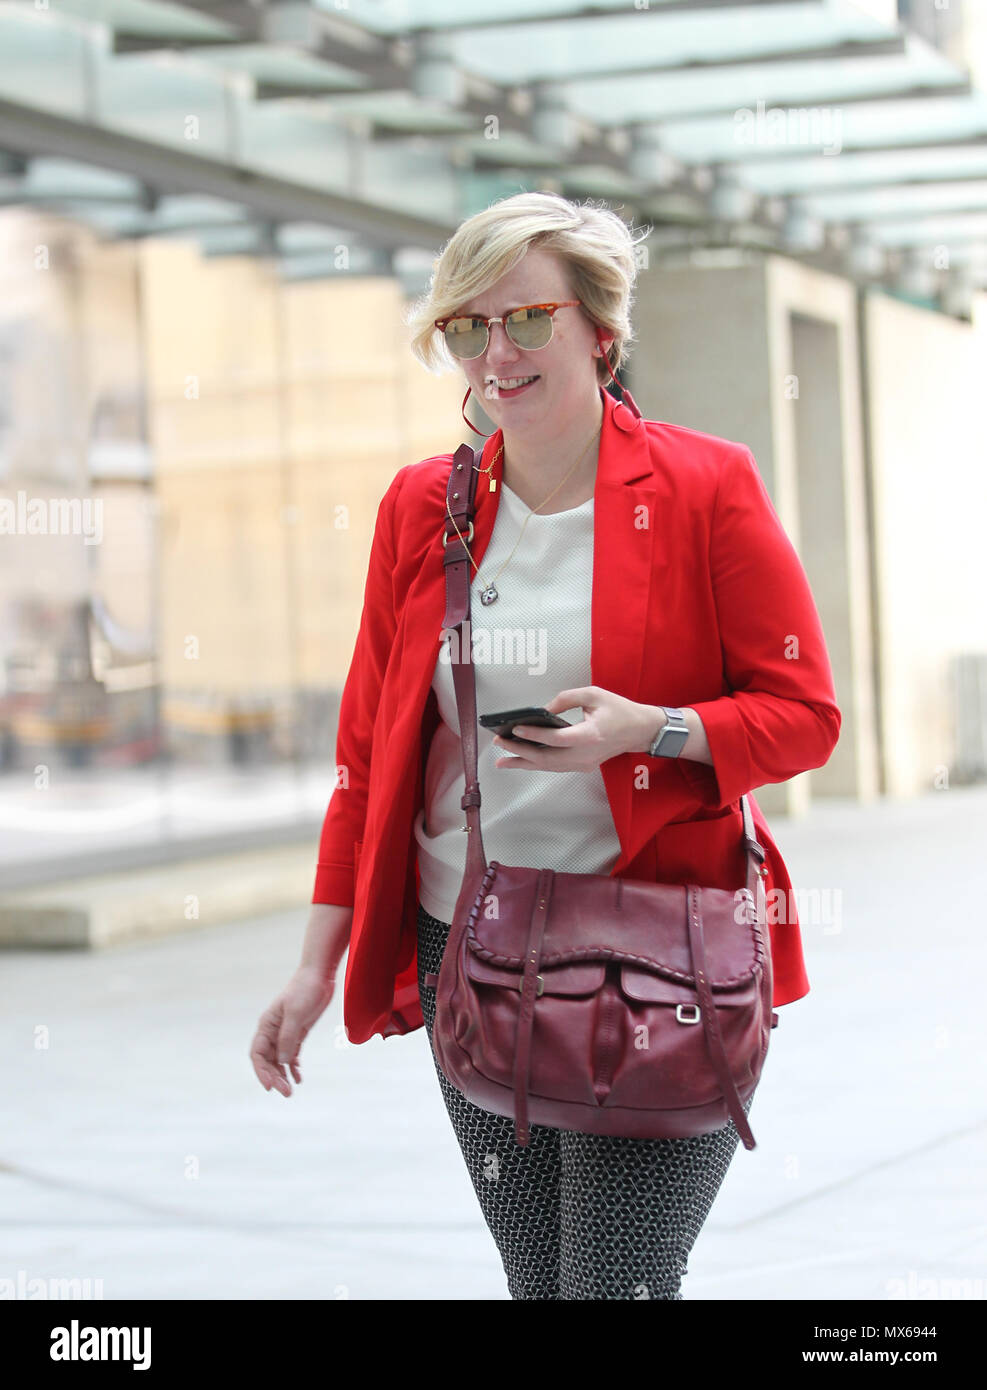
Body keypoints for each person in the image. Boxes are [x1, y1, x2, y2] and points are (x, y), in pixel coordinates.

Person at [250, 191, 842, 1300]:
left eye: (527, 318)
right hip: (467, 946)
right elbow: (366, 759)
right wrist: (314, 965)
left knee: (612, 1283)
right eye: (467, 328)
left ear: (599, 331)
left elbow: (805, 711)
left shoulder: (705, 488)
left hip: (655, 947)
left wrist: (651, 732)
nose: (496, 353)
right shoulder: (423, 507)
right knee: (540, 1282)